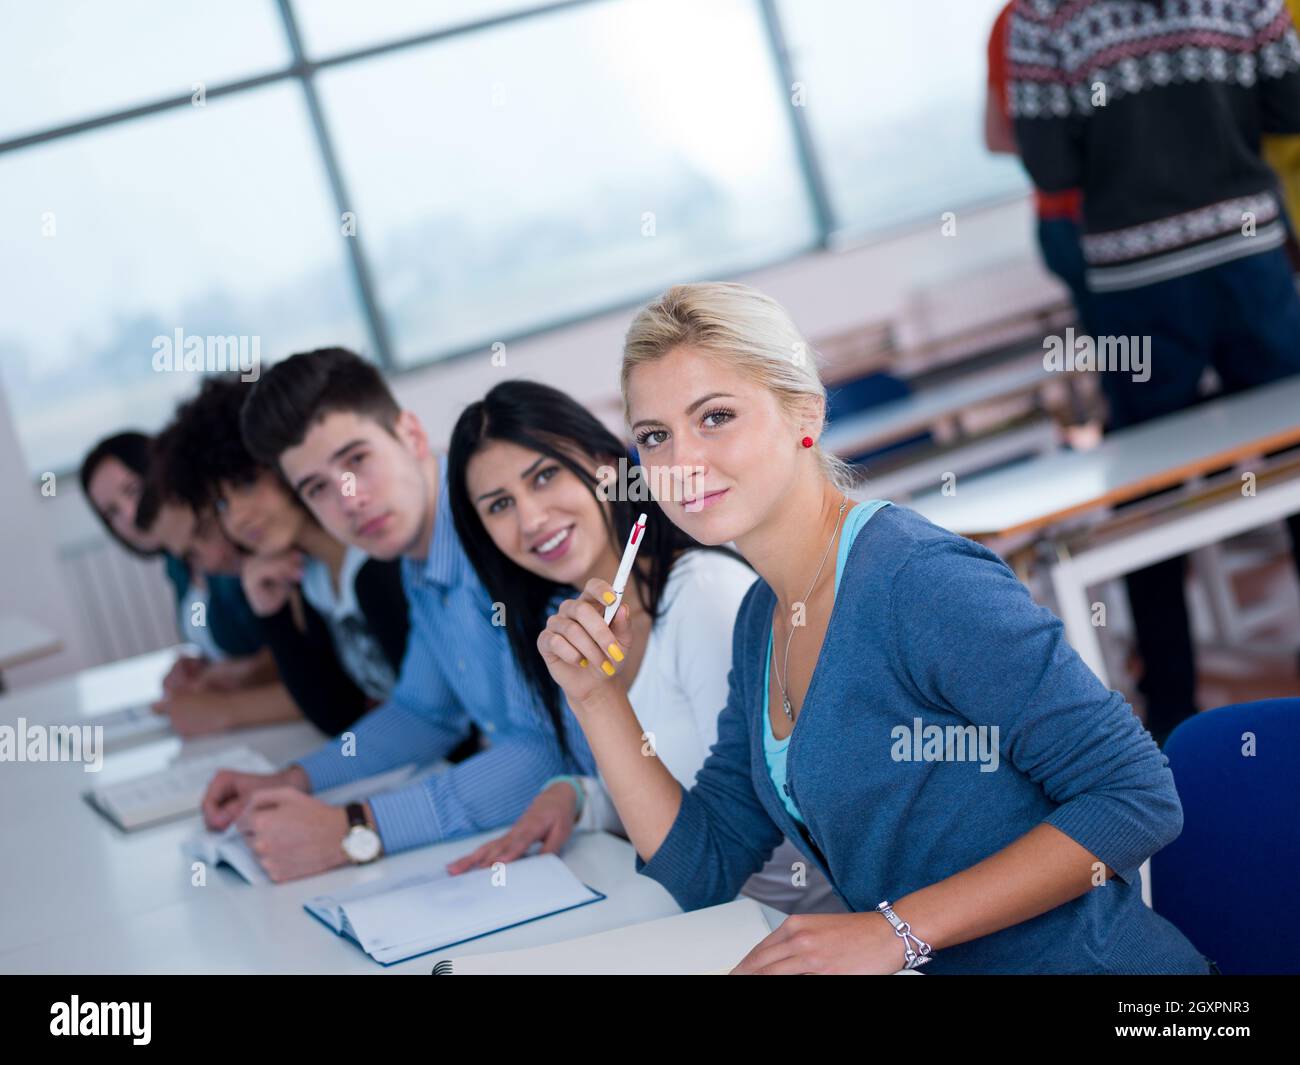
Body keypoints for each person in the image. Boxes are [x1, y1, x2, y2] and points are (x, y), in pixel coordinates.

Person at [534, 282, 1213, 974]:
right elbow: (699, 867)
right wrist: (596, 695)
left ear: (806, 412)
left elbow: (1137, 797)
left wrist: (895, 931)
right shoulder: (759, 621)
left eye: (715, 417)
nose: (681, 464)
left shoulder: (918, 580)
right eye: (655, 437)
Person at [1008, 0, 1300, 742]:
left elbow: (1050, 163)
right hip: (1248, 258)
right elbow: (1289, 104)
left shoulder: (1042, 17)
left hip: (1135, 283)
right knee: (1296, 461)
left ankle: (1171, 705)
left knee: (1145, 498)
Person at [441, 380, 843, 914]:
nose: (530, 519)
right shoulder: (566, 626)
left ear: (609, 468)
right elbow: (675, 783)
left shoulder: (702, 595)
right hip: (704, 919)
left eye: (545, 476)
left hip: (797, 926)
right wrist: (582, 797)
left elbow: (742, 818)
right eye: (498, 506)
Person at [198, 348, 578, 883]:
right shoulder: (417, 555)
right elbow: (424, 714)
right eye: (317, 488)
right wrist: (294, 780)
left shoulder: (502, 529)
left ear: (412, 436)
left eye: (356, 461)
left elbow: (548, 751)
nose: (348, 501)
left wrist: (354, 828)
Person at [152, 375, 409, 736]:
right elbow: (338, 715)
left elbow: (440, 726)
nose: (238, 516)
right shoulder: (315, 576)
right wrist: (274, 616)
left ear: (284, 463)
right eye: (223, 503)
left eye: (246, 484)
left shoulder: (374, 560)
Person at [80, 430, 277, 711]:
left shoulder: (227, 547)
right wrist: (203, 664)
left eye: (132, 491)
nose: (129, 515)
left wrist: (241, 676)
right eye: (112, 512)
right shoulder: (177, 564)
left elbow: (290, 649)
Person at [985, 0, 1090, 333]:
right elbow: (996, 136)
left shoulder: (1012, 20)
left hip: (1068, 222)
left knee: (1136, 359)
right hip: (1082, 220)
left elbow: (995, 136)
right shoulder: (1021, 20)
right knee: (1137, 360)